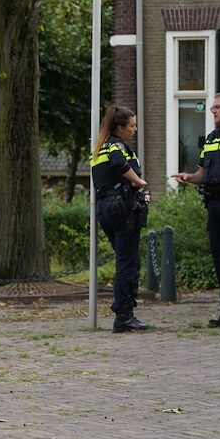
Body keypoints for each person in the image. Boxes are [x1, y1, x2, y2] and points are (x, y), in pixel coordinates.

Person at [92, 105, 150, 333]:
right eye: (132, 126)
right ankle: (124, 316)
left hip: (105, 208)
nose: (135, 130)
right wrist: (139, 182)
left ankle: (125, 313)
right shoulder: (117, 146)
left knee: (125, 260)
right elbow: (119, 163)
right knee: (128, 263)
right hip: (122, 208)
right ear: (119, 127)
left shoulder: (99, 148)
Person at [173, 92, 220, 327]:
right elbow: (202, 173)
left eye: (218, 107)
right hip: (214, 205)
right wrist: (189, 177)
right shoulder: (211, 138)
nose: (213, 110)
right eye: (213, 107)